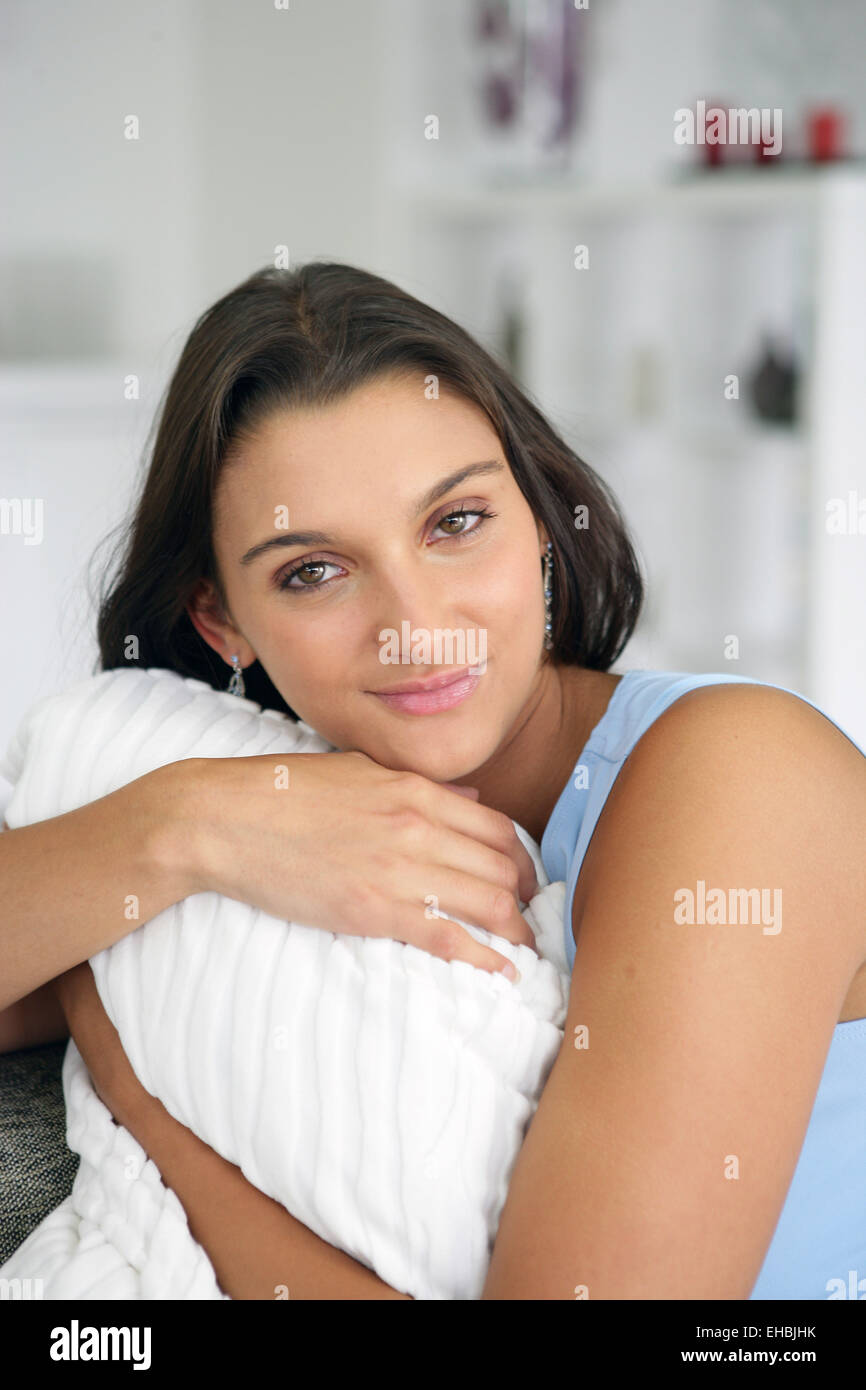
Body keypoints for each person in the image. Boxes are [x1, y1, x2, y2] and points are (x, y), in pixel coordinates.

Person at [1, 262, 864, 1301]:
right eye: (311, 570)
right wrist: (185, 827)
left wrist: (149, 1120)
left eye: (454, 522)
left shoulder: (739, 774)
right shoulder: (277, 818)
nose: (414, 621)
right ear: (219, 620)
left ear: (540, 523)